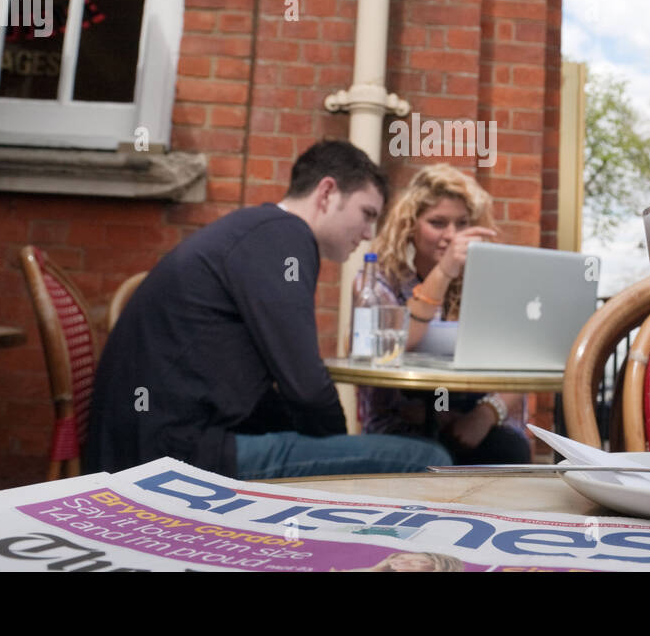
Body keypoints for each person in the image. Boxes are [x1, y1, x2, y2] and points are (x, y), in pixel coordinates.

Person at [85, 140, 452, 479]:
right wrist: (338, 454)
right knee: (428, 460)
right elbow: (305, 386)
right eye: (367, 213)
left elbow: (279, 394)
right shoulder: (285, 240)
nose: (369, 233)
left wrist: (330, 446)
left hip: (145, 444)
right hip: (174, 454)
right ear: (327, 192)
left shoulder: (259, 232)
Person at [357, 165, 531, 465]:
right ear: (410, 226)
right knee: (434, 456)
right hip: (402, 422)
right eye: (437, 223)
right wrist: (445, 272)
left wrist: (486, 414)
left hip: (472, 414)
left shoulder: (487, 279)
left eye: (462, 224)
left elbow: (521, 359)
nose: (452, 236)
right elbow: (394, 344)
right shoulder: (379, 278)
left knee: (511, 450)